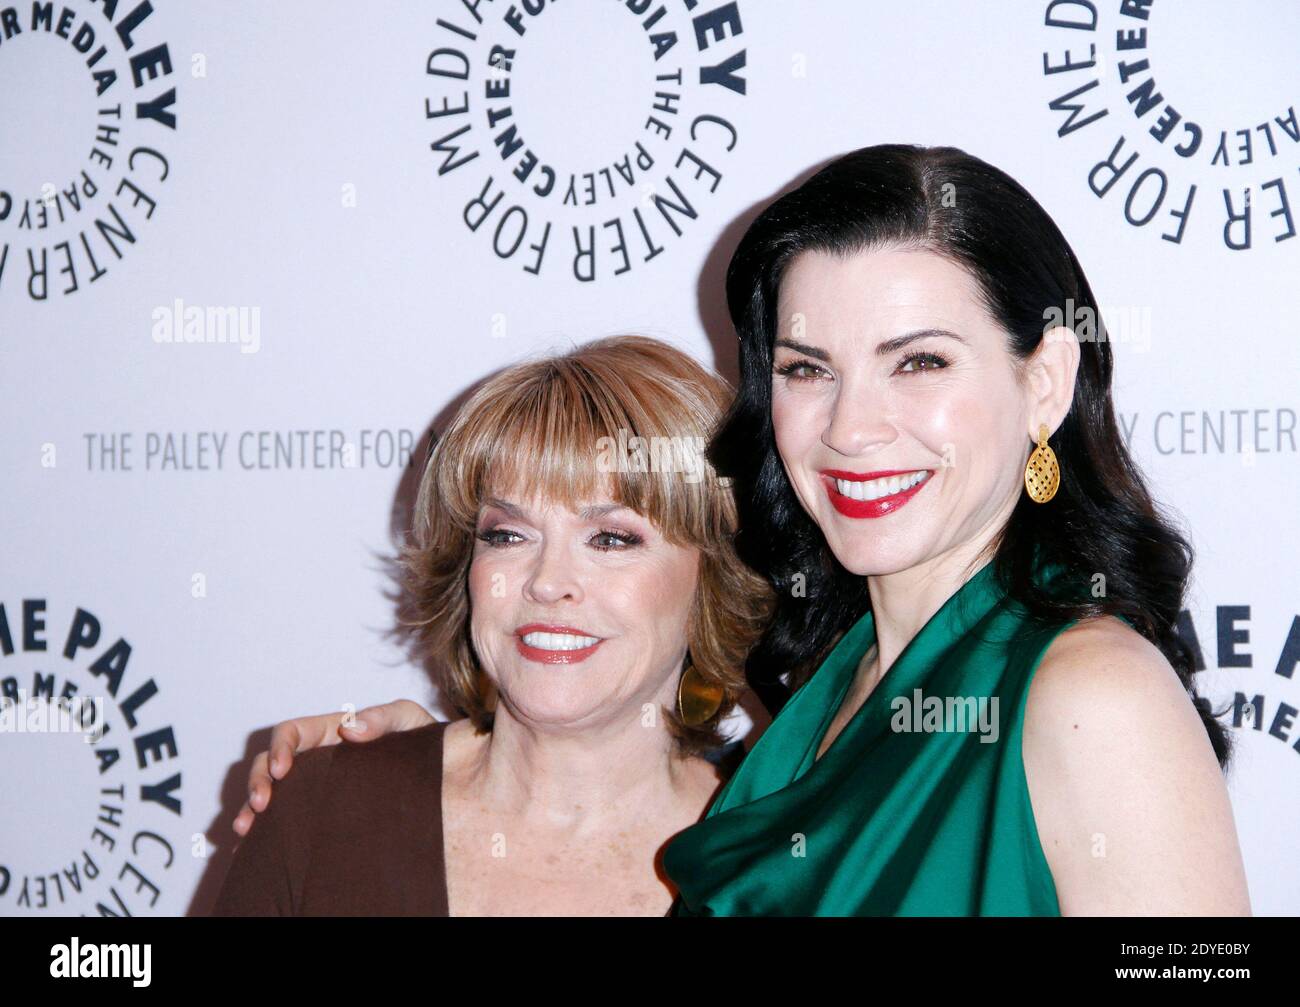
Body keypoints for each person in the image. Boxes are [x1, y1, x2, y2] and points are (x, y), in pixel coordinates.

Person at [234, 144, 1251, 916]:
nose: (852, 426)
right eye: (807, 369)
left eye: (919, 361)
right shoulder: (817, 712)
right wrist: (397, 791)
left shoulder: (1090, 691)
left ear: (1044, 380)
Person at [211, 335, 773, 916]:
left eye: (611, 538)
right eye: (508, 534)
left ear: (717, 576)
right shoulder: (323, 811)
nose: (546, 582)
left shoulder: (775, 862)